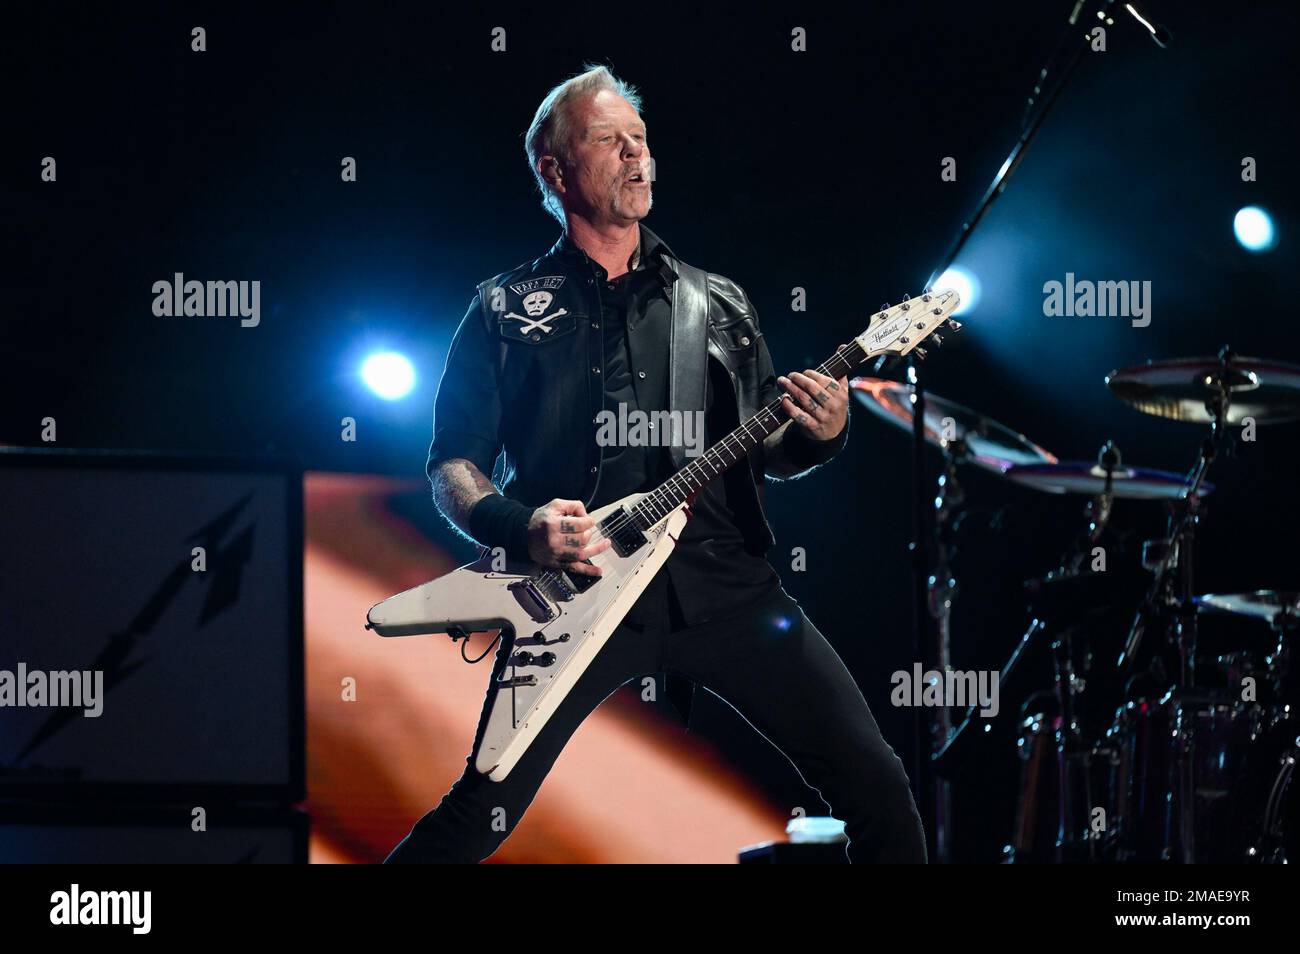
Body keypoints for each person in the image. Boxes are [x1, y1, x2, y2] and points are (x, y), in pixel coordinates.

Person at [385, 65, 926, 863]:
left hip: (729, 592)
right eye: (610, 141)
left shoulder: (719, 303)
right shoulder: (504, 310)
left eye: (641, 139)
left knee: (879, 790)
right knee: (477, 814)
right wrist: (521, 526)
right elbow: (452, 465)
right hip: (578, 594)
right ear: (555, 169)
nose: (637, 156)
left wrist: (824, 430)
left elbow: (767, 452)